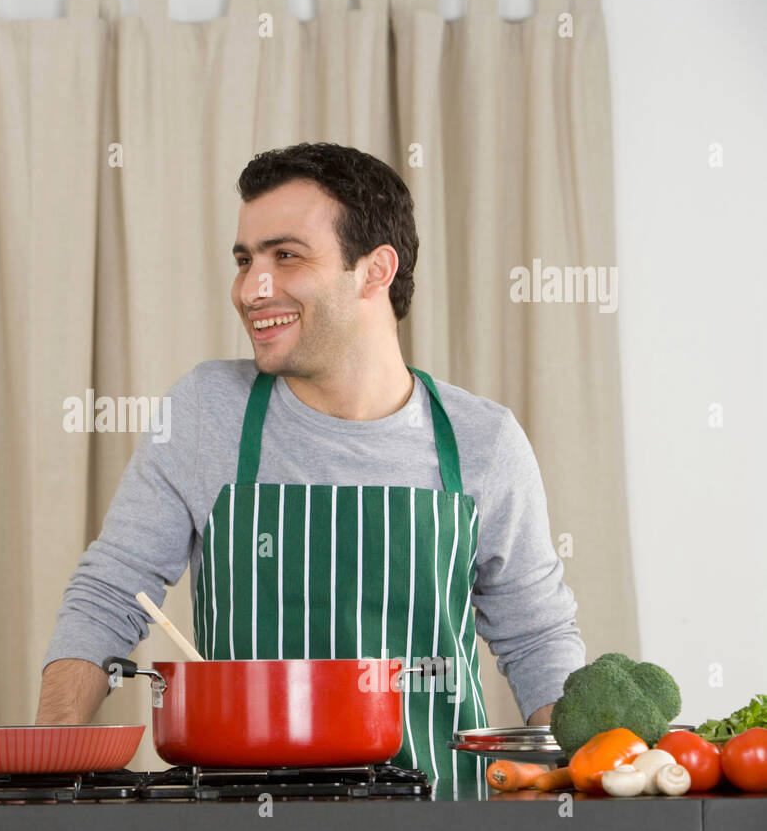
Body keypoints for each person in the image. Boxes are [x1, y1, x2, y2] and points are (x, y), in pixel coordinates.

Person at [35, 142, 585, 780]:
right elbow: (111, 592)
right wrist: (52, 750)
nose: (251, 289)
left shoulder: (482, 441)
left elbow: (537, 637)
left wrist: (580, 783)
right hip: (244, 820)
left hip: (438, 824)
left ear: (375, 270)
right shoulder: (206, 410)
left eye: (285, 256)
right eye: (245, 260)